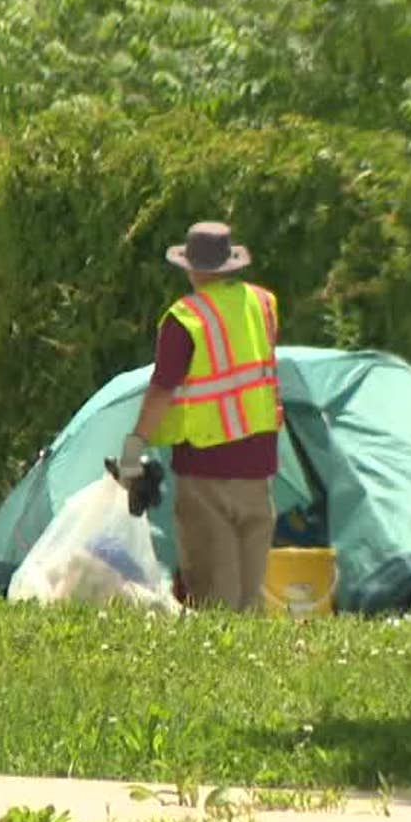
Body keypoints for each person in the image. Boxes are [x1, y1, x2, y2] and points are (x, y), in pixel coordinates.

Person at [118, 222, 283, 613]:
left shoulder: (186, 319)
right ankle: (248, 667)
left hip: (205, 471)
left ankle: (221, 668)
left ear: (192, 268)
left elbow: (162, 390)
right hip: (259, 469)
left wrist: (133, 447)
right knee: (249, 595)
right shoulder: (263, 304)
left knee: (216, 597)